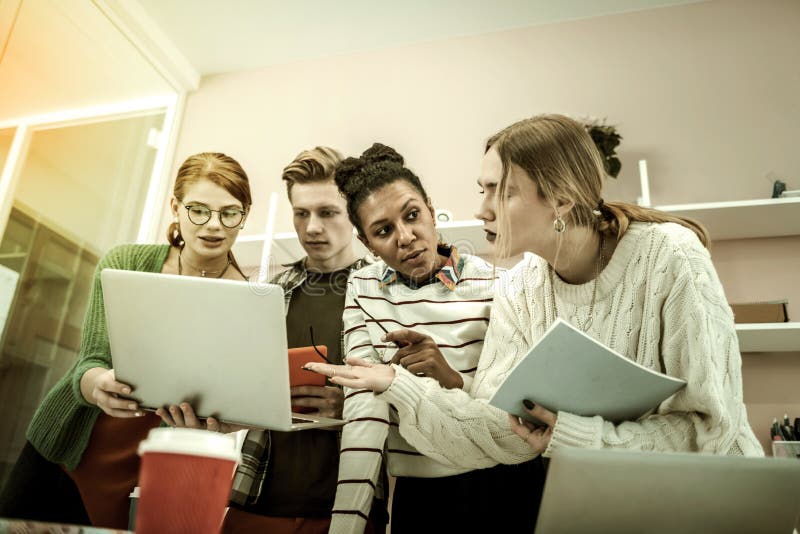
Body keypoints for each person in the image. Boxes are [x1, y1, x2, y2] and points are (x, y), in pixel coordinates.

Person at [305, 115, 763, 523]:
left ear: (561, 199)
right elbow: (495, 428)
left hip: (715, 509)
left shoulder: (671, 256)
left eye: (499, 191)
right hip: (606, 508)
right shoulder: (521, 286)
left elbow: (711, 431)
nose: (481, 210)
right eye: (480, 189)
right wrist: (396, 384)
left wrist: (574, 434)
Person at [0, 152, 252, 528]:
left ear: (244, 215)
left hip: (141, 467)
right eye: (198, 210)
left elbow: (224, 404)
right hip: (63, 446)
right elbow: (90, 360)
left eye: (229, 213)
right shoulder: (125, 263)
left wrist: (213, 425)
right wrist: (98, 383)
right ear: (175, 207)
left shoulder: (246, 301)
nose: (213, 225)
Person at [316, 143, 544, 534]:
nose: (405, 237)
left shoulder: (498, 284)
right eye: (383, 231)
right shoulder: (364, 288)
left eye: (412, 215)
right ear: (367, 243)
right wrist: (345, 525)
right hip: (420, 494)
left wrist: (447, 376)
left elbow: (516, 414)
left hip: (503, 480)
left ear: (431, 207)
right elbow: (363, 409)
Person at [159, 147, 386, 534]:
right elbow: (238, 396)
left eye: (327, 213)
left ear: (352, 213)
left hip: (350, 511)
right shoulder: (266, 294)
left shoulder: (386, 292)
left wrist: (352, 409)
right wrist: (214, 416)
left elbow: (418, 403)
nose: (312, 227)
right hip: (257, 500)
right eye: (301, 213)